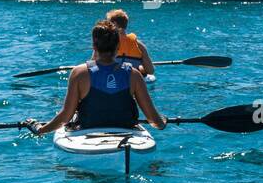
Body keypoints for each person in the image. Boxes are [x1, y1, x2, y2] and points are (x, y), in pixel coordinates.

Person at [29, 19, 166, 136]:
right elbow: (154, 120)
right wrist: (162, 122)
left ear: (94, 46)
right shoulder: (134, 74)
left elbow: (65, 116)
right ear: (118, 46)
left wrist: (40, 129)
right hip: (126, 132)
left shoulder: (79, 73)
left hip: (87, 131)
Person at [105, 8, 155, 76]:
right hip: (132, 80)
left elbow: (94, 67)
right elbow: (150, 71)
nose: (107, 26)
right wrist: (139, 68)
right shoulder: (140, 45)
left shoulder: (105, 42)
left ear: (114, 24)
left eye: (108, 23)